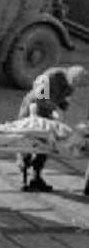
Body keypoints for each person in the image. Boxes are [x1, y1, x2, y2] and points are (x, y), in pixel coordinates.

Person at [20, 64, 87, 192]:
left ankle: (36, 177)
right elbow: (39, 97)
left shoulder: (70, 83)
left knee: (46, 144)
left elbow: (64, 100)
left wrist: (61, 112)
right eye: (75, 84)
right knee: (27, 142)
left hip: (47, 113)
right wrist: (54, 109)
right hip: (32, 110)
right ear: (71, 77)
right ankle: (23, 177)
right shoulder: (51, 76)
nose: (74, 87)